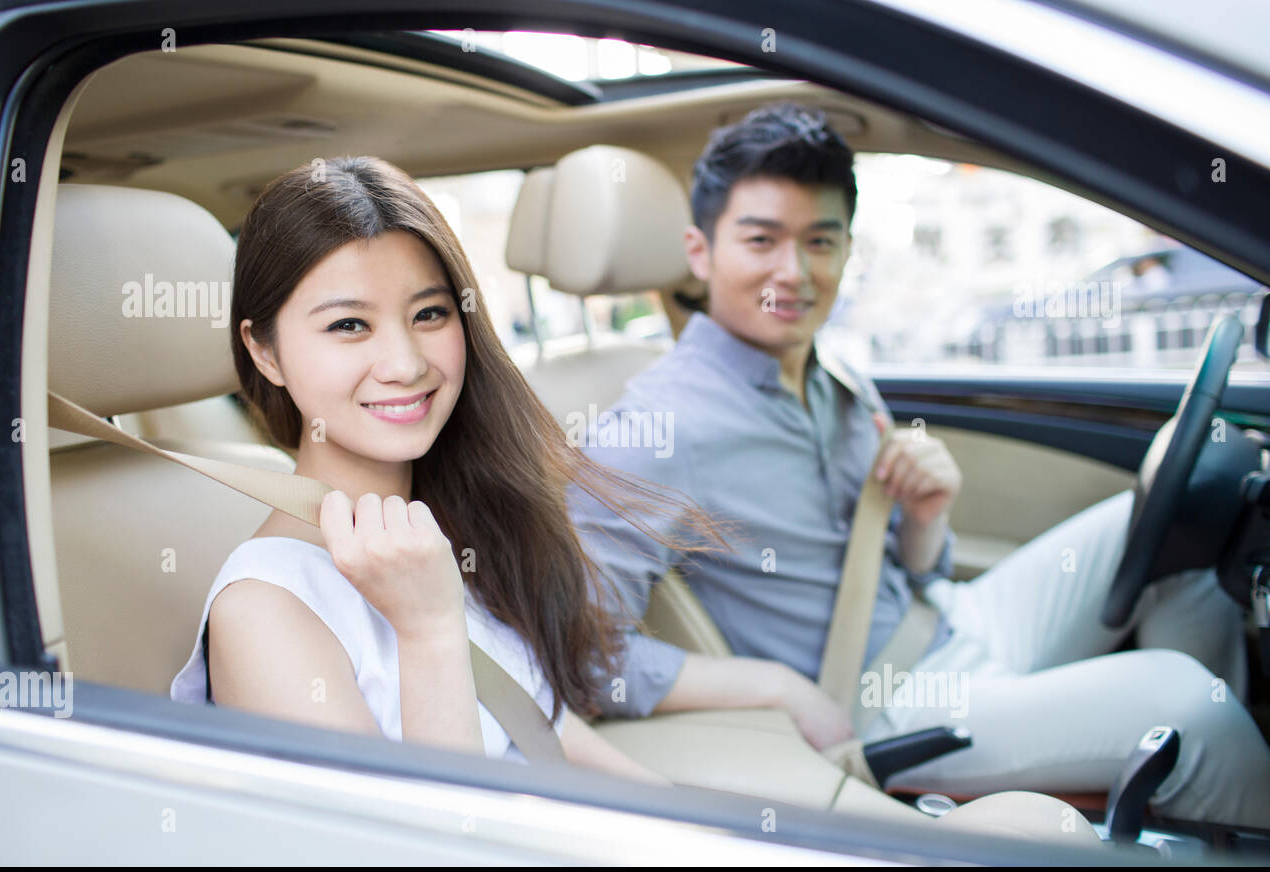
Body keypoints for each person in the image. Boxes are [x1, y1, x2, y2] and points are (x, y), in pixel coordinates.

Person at [569, 102, 1270, 830]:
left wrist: (928, 518)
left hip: (953, 618)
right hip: (887, 701)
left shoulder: (834, 377)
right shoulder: (652, 429)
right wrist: (774, 686)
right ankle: (1214, 788)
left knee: (1186, 517)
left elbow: (919, 571)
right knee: (1186, 706)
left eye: (820, 241)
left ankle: (1191, 809)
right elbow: (582, 655)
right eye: (761, 240)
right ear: (699, 251)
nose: (795, 271)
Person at [168, 156, 840, 783]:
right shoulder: (265, 610)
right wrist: (427, 630)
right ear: (265, 352)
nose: (405, 362)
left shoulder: (455, 518)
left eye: (429, 314)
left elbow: (547, 730)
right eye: (349, 325)